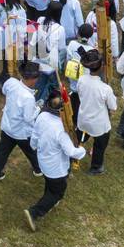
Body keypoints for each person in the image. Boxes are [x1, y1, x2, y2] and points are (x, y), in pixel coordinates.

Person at [24, 90, 86, 231]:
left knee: (50, 185)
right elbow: (71, 152)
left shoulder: (42, 116)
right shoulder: (61, 130)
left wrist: (34, 146)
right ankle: (34, 212)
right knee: (58, 192)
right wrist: (81, 151)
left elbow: (35, 135)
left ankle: (48, 199)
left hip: (43, 159)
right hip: (56, 168)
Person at [0, 61, 43, 183]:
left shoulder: (11, 82)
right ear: (33, 79)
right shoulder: (28, 98)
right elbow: (28, 118)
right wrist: (38, 108)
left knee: (2, 151)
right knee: (32, 151)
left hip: (7, 126)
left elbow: (4, 91)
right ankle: (38, 169)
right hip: (21, 132)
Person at [74, 49, 117, 174]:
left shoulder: (81, 80)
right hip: (99, 124)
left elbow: (80, 93)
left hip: (83, 119)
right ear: (102, 67)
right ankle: (96, 167)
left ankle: (73, 154)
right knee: (100, 145)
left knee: (79, 137)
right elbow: (113, 106)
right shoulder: (105, 89)